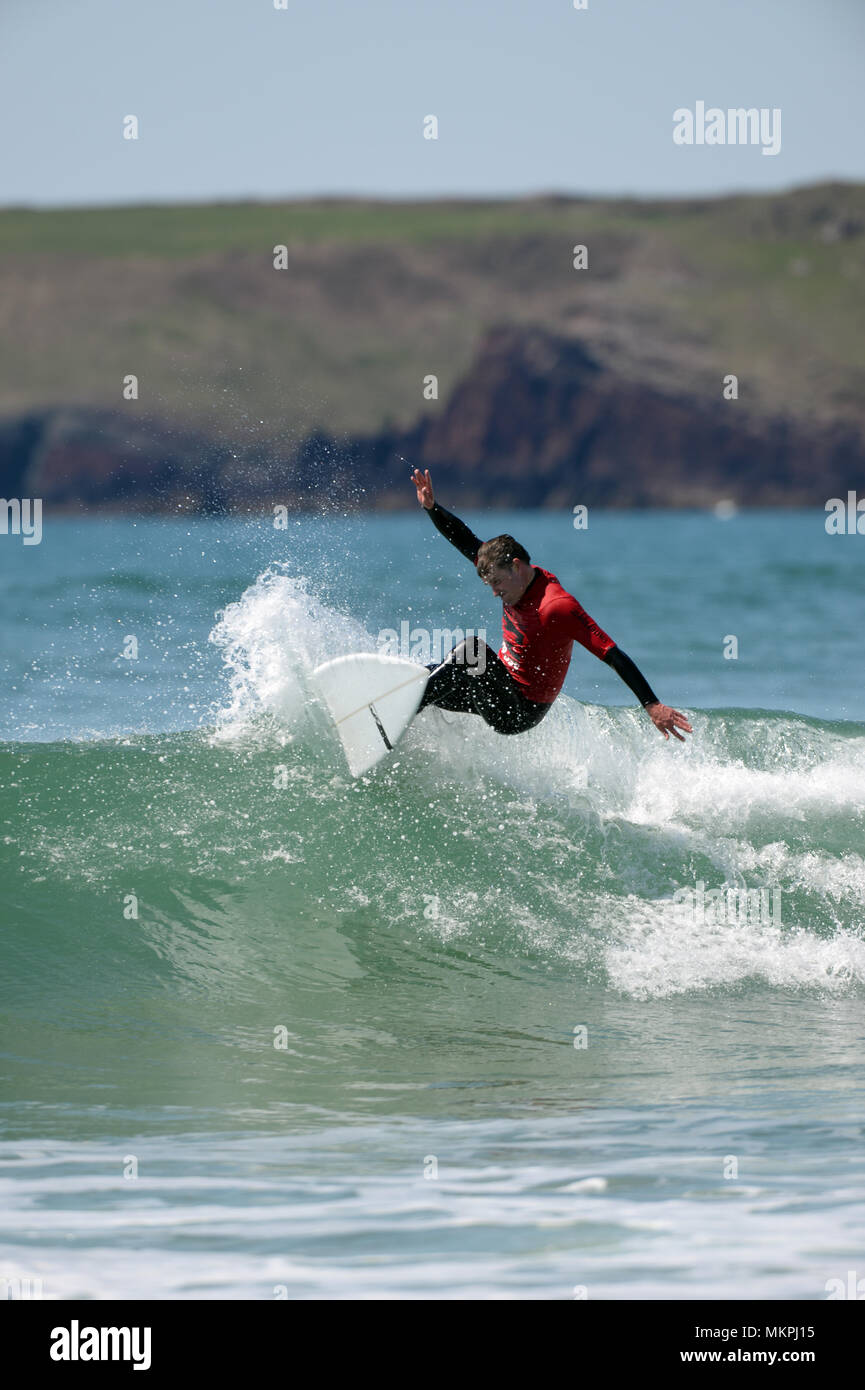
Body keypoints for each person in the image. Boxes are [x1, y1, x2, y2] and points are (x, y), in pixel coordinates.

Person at [411, 468, 692, 742]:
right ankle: (402, 715)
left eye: (497, 583)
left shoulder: (557, 606)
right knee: (431, 674)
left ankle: (406, 708)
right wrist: (432, 508)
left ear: (516, 567)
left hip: (518, 710)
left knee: (470, 652)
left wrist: (652, 705)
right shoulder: (508, 575)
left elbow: (611, 653)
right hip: (499, 688)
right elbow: (466, 541)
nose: (495, 592)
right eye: (490, 585)